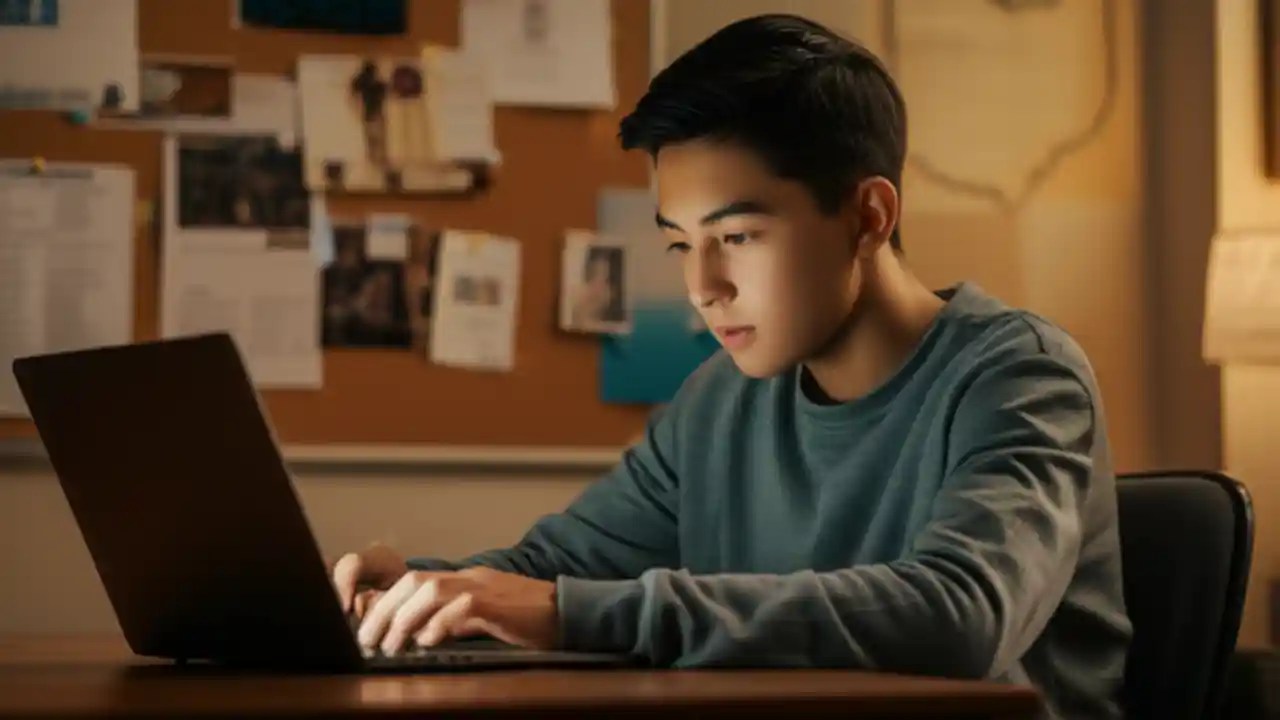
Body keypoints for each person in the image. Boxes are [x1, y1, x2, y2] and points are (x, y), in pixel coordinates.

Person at [332, 14, 1130, 719]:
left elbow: (958, 615)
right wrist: (415, 587)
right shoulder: (718, 398)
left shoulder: (1020, 375)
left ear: (869, 216)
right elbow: (555, 570)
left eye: (738, 237)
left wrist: (573, 611)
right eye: (680, 244)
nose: (702, 289)